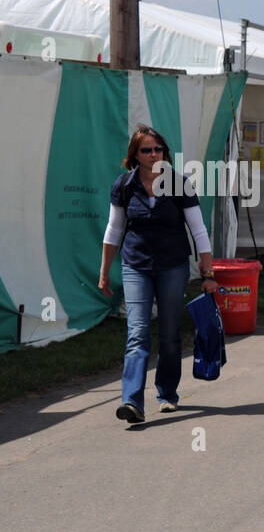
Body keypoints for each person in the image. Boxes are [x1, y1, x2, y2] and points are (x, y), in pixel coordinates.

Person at [98, 125, 219, 424]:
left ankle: (167, 393)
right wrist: (104, 273)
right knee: (137, 334)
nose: (154, 155)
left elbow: (199, 230)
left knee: (168, 334)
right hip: (136, 265)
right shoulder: (124, 186)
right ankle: (132, 402)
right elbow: (114, 230)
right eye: (146, 150)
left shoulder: (180, 184)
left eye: (158, 149)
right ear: (134, 156)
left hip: (172, 266)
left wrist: (208, 272)